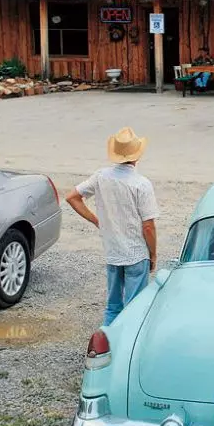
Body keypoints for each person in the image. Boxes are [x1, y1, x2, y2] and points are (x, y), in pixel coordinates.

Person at [65, 127, 158, 326]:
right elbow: (148, 226)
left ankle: (105, 344)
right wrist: (153, 254)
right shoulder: (141, 184)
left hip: (113, 251)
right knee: (135, 308)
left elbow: (72, 198)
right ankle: (127, 347)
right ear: (137, 155)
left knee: (113, 306)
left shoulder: (101, 176)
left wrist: (97, 220)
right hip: (135, 253)